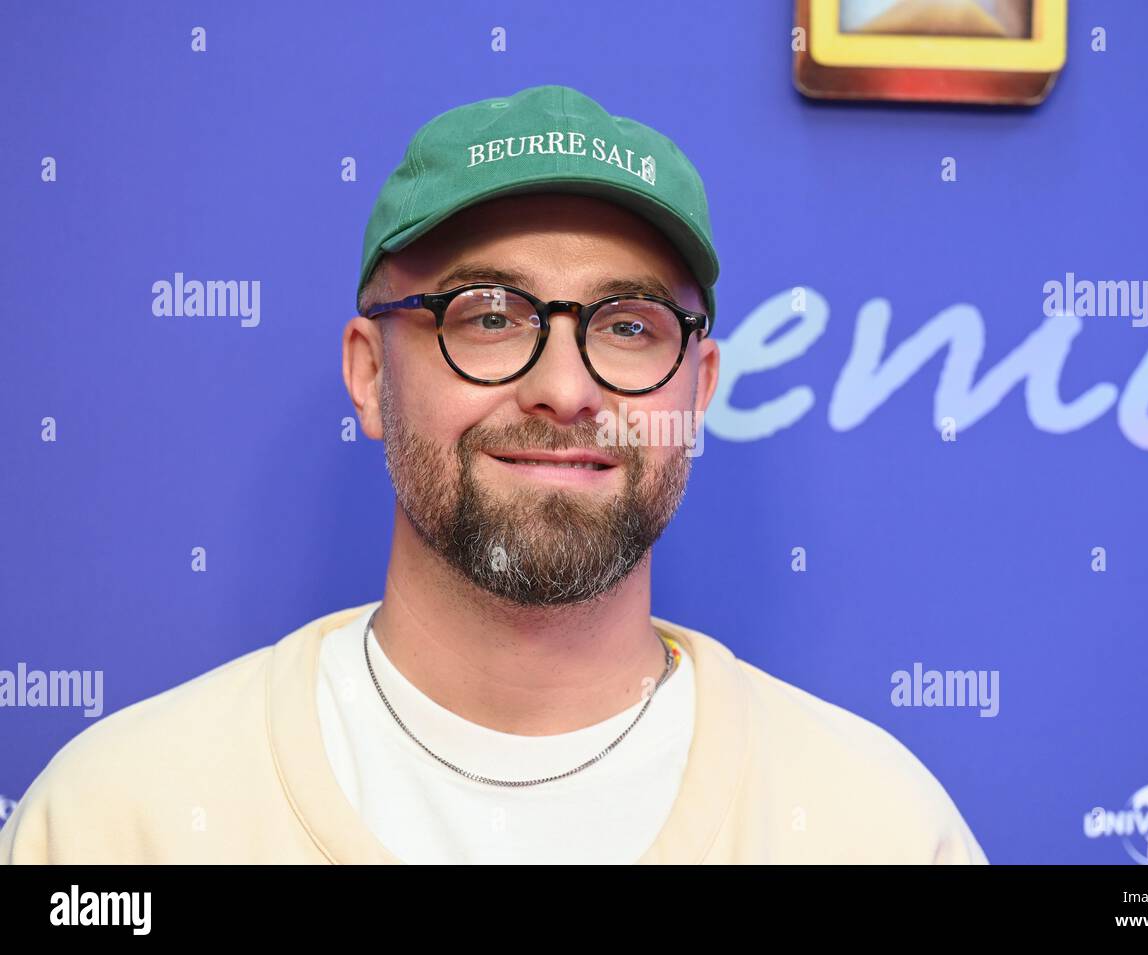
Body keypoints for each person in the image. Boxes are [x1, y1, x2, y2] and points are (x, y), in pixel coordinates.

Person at [0, 84, 987, 864]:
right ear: (367, 374)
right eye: (487, 314)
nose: (563, 388)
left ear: (699, 384)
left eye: (630, 326)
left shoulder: (876, 828)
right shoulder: (117, 824)